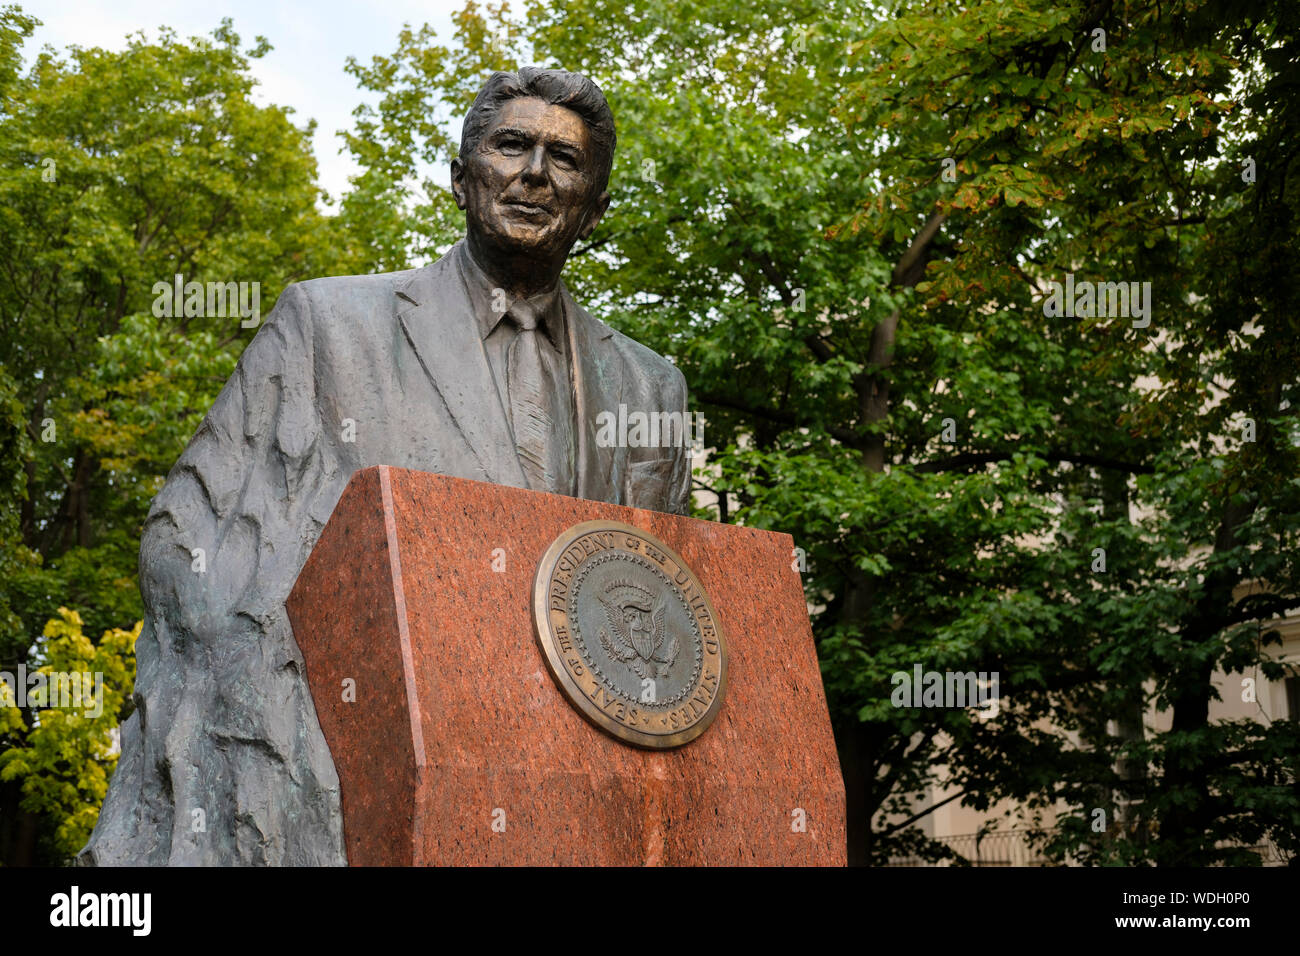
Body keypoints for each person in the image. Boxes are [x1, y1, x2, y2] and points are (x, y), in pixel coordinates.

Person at [81, 67, 691, 865]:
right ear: (461, 178)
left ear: (595, 208)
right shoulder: (328, 325)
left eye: (565, 160)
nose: (535, 174)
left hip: (570, 796)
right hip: (363, 769)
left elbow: (664, 597)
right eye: (511, 146)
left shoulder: (650, 384)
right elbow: (186, 539)